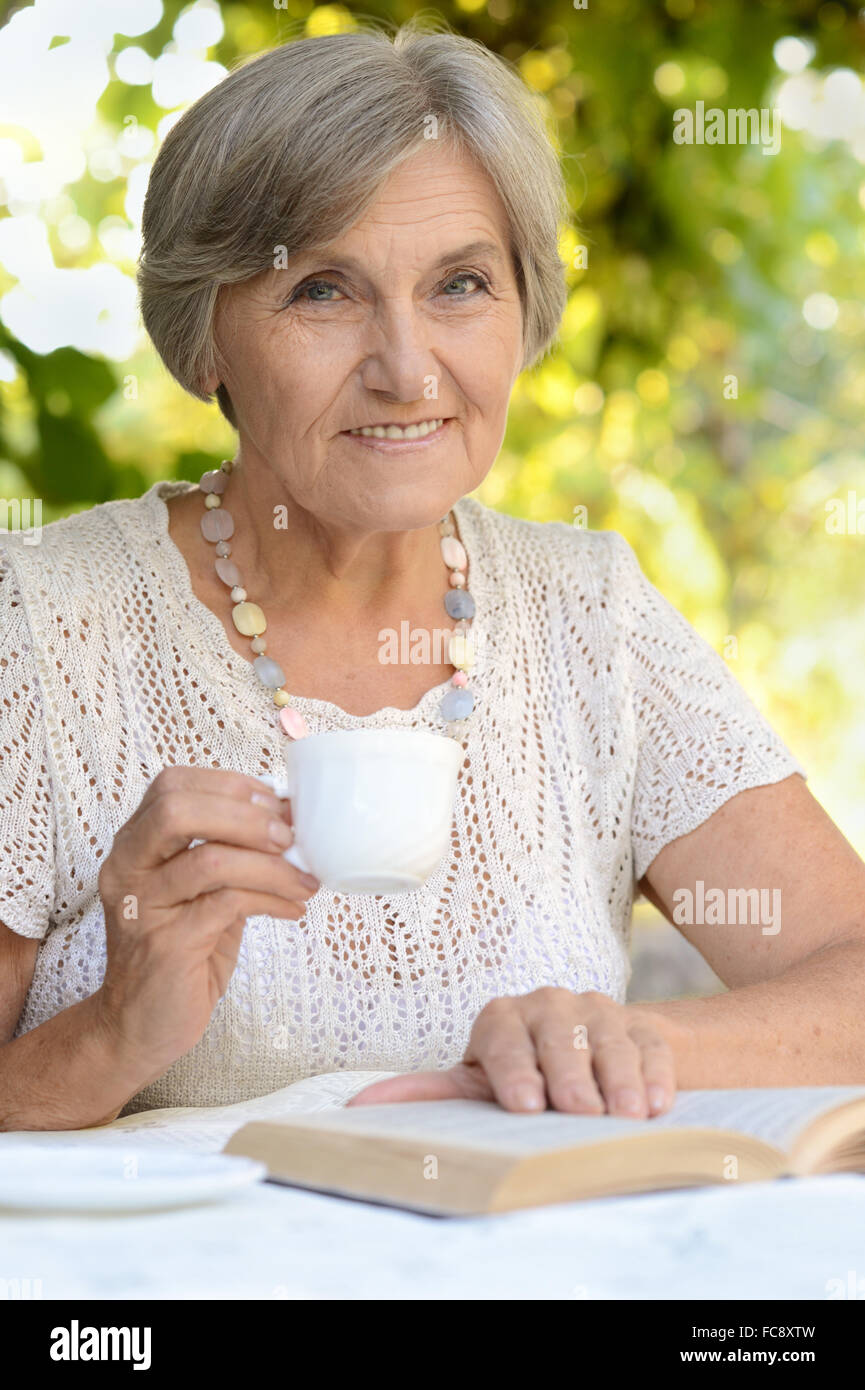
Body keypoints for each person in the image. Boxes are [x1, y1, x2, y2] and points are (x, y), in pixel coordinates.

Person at [1, 20, 863, 1133]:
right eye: (321, 290)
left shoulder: (588, 614)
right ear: (205, 336)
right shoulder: (42, 623)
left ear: (524, 309)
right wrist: (111, 1033)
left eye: (459, 284)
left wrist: (636, 1042)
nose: (407, 371)